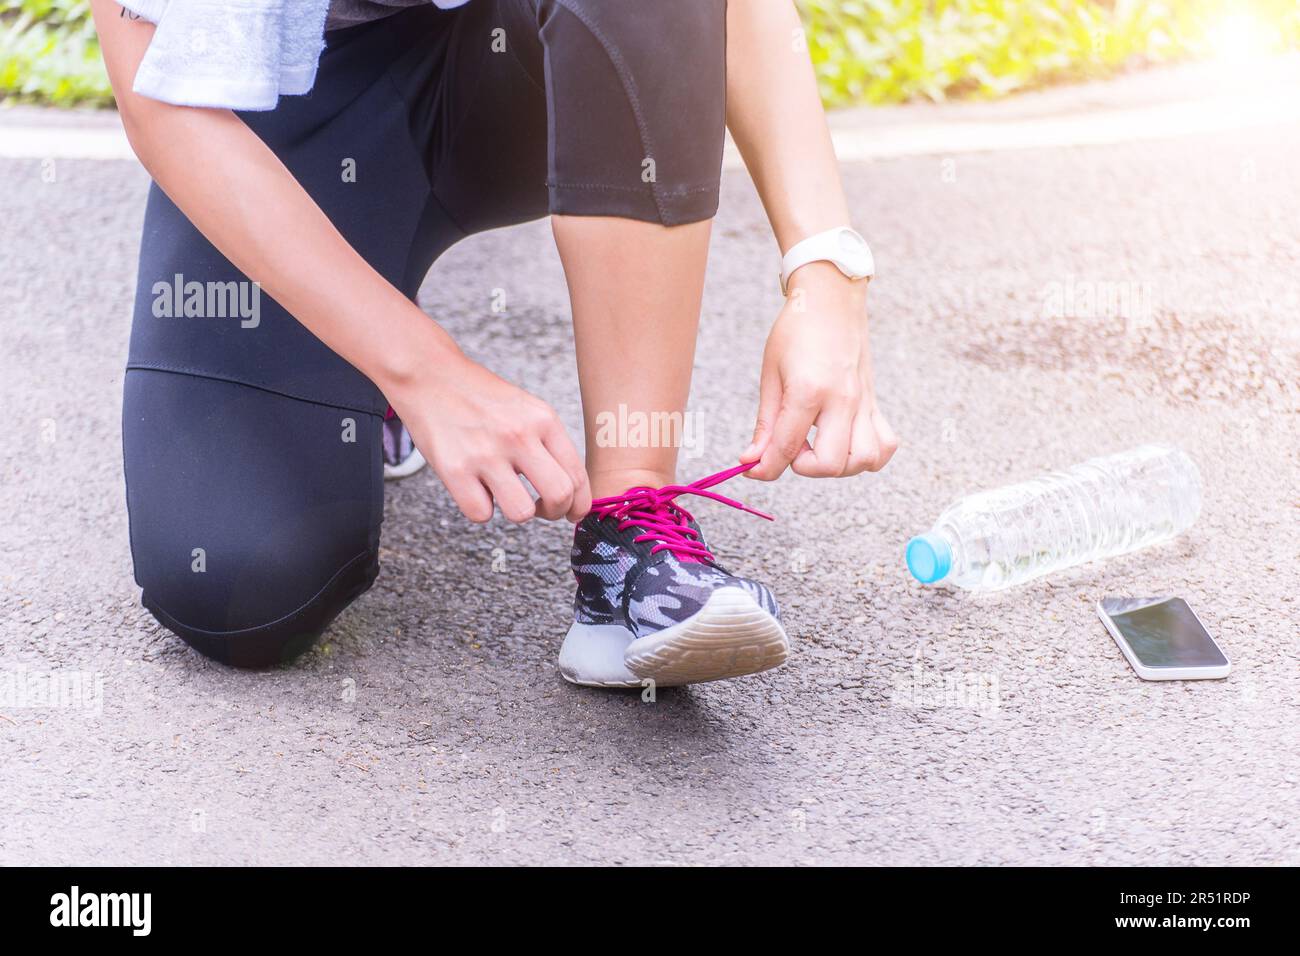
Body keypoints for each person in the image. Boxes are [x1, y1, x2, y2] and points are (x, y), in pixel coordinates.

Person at [94, 0, 897, 685]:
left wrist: (826, 274)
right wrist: (425, 372)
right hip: (279, 108)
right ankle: (366, 353)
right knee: (239, 579)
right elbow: (157, 97)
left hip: (500, 61)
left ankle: (630, 538)